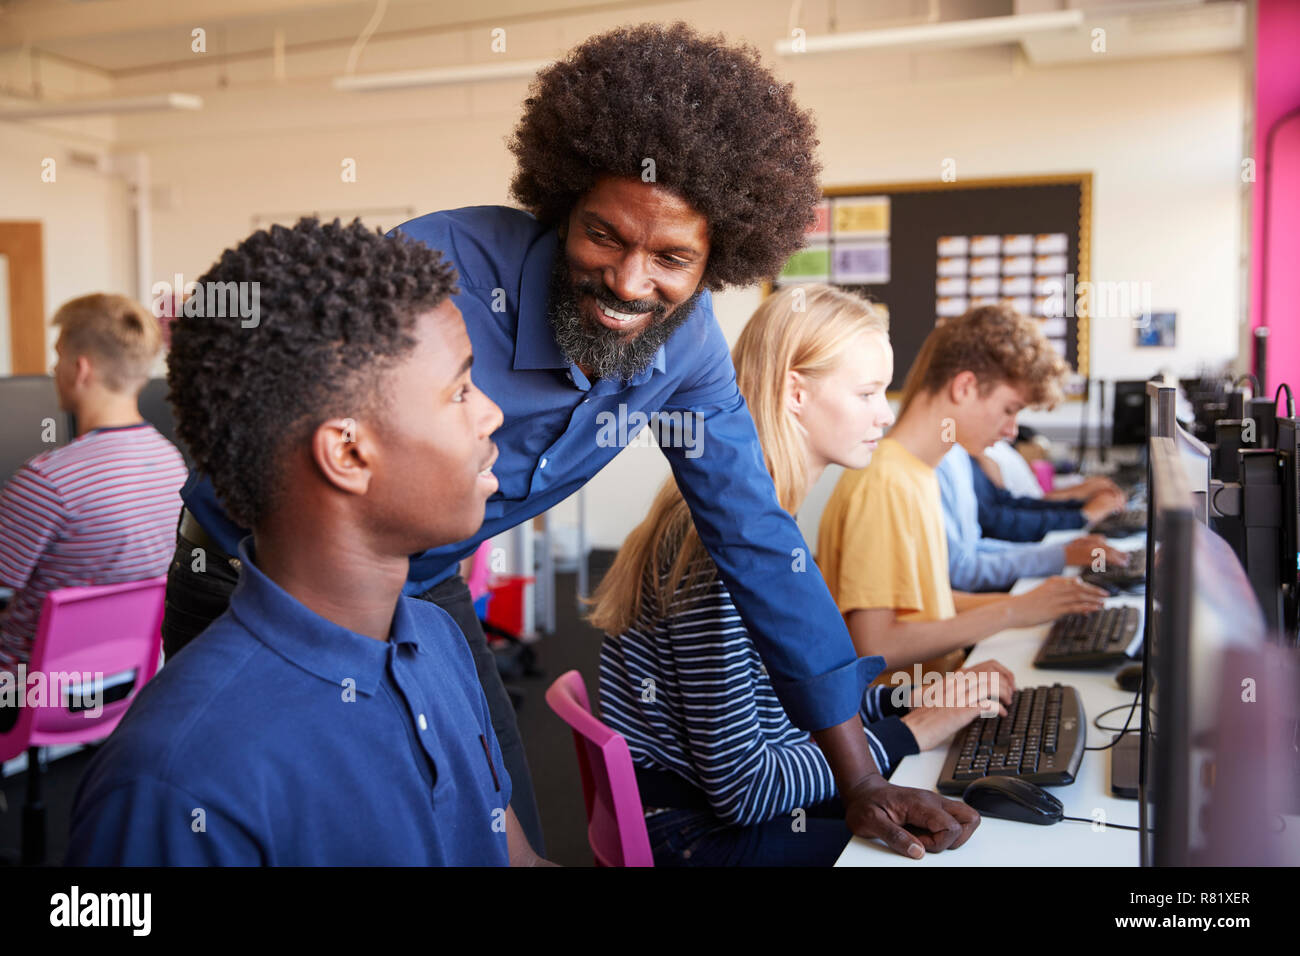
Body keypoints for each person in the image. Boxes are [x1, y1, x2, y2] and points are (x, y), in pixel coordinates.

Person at [158, 22, 976, 859]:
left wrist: (859, 779)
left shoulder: (688, 347)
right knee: (301, 827)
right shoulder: (439, 278)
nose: (628, 281)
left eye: (671, 258)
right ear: (561, 204)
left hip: (424, 590)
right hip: (252, 577)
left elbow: (758, 540)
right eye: (604, 236)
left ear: (716, 262)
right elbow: (285, 416)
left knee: (501, 813)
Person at [67, 219, 547, 866]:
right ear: (347, 453)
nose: (493, 414)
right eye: (460, 391)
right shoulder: (173, 783)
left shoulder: (438, 641)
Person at [590, 285, 996, 865]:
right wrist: (912, 731)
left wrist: (908, 700)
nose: (885, 414)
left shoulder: (762, 523)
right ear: (796, 392)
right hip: (698, 836)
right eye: (867, 393)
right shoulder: (719, 549)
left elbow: (784, 707)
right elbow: (746, 789)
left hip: (723, 812)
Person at [819, 304, 1111, 676]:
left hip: (943, 685)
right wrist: (1013, 611)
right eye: (1009, 409)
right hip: (906, 703)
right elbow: (876, 645)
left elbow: (932, 603)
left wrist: (1041, 604)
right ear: (965, 387)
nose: (1011, 430)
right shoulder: (885, 481)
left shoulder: (920, 472)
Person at [0, 294, 186, 731]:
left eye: (58, 357)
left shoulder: (47, 480)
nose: (54, 370)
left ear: (80, 368)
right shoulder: (172, 463)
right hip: (129, 681)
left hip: (26, 692)